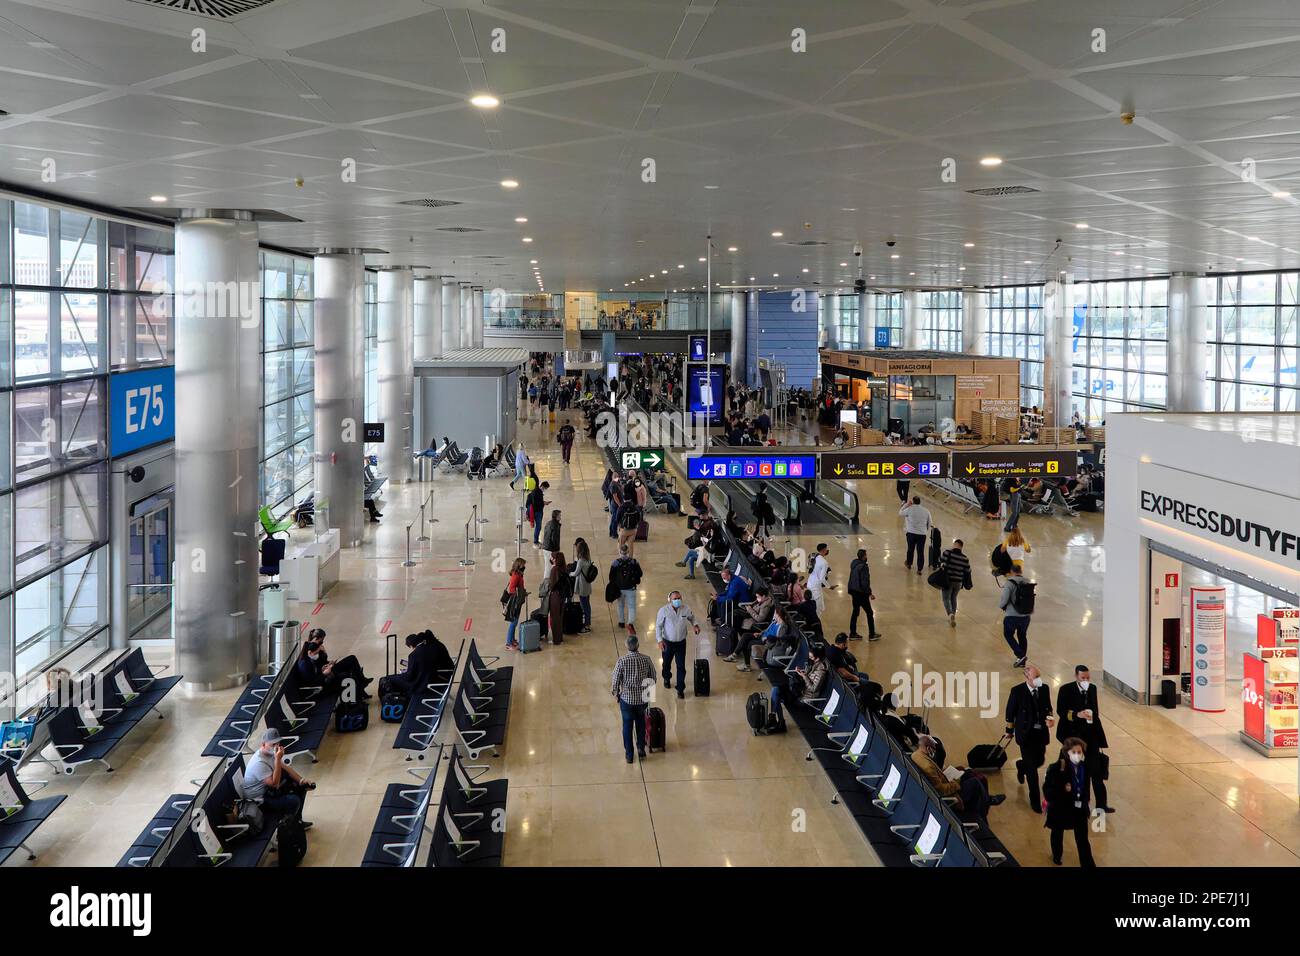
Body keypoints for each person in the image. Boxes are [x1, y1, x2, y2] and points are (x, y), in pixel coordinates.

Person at [1055, 665, 1114, 813]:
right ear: (1076, 677)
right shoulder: (1066, 689)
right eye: (1083, 678)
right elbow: (1061, 711)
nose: (1086, 680)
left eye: (1088, 678)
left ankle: (1101, 804)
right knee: (1078, 773)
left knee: (1096, 771)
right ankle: (1081, 805)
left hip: (1091, 736)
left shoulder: (1092, 689)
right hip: (1074, 737)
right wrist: (1077, 715)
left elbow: (1095, 710)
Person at [1005, 663, 1055, 813]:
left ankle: (1021, 766)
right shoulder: (1017, 691)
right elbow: (1010, 712)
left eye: (1039, 676)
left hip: (1040, 734)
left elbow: (1048, 707)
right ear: (1027, 677)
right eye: (1036, 677)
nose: (1039, 679)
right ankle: (1035, 801)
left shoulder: (1044, 689)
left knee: (1040, 760)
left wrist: (1050, 718)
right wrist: (1009, 730)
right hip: (1025, 735)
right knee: (1032, 772)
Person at [243, 728, 315, 827]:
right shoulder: (259, 763)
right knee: (293, 800)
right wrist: (277, 758)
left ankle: (297, 821)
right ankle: (287, 826)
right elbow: (274, 784)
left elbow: (285, 768)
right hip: (260, 800)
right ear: (263, 744)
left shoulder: (270, 753)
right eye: (273, 744)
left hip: (269, 791)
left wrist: (301, 780)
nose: (276, 747)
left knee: (301, 787)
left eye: (278, 743)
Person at [1043, 738, 1097, 866]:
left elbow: (1086, 788)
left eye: (1079, 752)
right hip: (1061, 809)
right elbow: (1048, 791)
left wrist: (1085, 805)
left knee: (1083, 840)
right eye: (1074, 752)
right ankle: (1057, 855)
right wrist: (1063, 789)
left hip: (1079, 809)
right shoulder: (1056, 768)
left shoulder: (1085, 768)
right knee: (1057, 832)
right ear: (1067, 752)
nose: (1077, 755)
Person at [611, 633, 657, 764]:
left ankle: (629, 755)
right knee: (641, 724)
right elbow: (653, 677)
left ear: (626, 646)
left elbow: (615, 680)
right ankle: (641, 749)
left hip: (627, 699)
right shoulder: (646, 659)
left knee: (627, 726)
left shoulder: (622, 661)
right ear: (638, 645)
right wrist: (649, 694)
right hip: (642, 699)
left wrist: (616, 694)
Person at [296, 629, 372, 698]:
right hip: (323, 682)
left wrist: (326, 665)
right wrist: (324, 673)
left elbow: (318, 667)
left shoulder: (309, 658)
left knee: (352, 659)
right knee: (348, 674)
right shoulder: (305, 664)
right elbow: (313, 682)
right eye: (317, 652)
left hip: (326, 673)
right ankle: (360, 687)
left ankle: (361, 685)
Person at [769, 642, 828, 730]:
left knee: (777, 694)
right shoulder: (814, 664)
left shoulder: (821, 671)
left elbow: (813, 689)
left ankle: (778, 721)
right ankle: (775, 717)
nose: (809, 658)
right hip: (798, 692)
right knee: (776, 689)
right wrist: (802, 673)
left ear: (817, 658)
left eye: (811, 657)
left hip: (804, 699)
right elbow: (808, 678)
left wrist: (804, 676)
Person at [655, 590, 700, 700]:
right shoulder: (663, 611)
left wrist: (695, 625)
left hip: (681, 643)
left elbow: (692, 617)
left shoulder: (686, 609)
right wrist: (660, 640)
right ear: (669, 600)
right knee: (666, 664)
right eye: (675, 599)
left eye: (679, 598)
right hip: (667, 643)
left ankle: (680, 689)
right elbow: (658, 626)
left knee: (681, 667)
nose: (677, 600)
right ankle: (666, 677)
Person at [726, 587, 774, 671]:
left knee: (743, 637)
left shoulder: (766, 606)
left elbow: (759, 619)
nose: (757, 598)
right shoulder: (760, 601)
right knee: (735, 618)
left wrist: (750, 610)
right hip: (751, 620)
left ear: (763, 596)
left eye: (758, 597)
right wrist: (749, 608)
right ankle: (737, 655)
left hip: (756, 624)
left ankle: (737, 655)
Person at [998, 564, 1033, 668]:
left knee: (1008, 634)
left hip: (1012, 616)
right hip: (1026, 616)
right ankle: (1022, 662)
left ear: (1011, 571)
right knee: (1022, 636)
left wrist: (1001, 606)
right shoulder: (1028, 581)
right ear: (1021, 571)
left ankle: (1021, 655)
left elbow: (1004, 600)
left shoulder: (1009, 583)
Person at [937, 538, 972, 627]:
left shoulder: (947, 553)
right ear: (961, 547)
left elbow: (940, 560)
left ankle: (950, 615)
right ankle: (953, 615)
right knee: (954, 598)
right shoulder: (965, 558)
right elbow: (968, 570)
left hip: (947, 580)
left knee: (946, 599)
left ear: (954, 544)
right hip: (958, 582)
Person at [847, 548, 880, 642]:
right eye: (866, 555)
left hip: (854, 591)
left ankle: (852, 633)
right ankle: (872, 634)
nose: (867, 557)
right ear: (863, 556)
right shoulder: (863, 567)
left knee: (855, 612)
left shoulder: (854, 564)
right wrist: (870, 593)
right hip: (861, 593)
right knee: (869, 613)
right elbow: (865, 582)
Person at [609, 544, 642, 631]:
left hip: (619, 588)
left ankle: (621, 622)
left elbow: (611, 577)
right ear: (628, 552)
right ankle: (630, 623)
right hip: (631, 588)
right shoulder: (634, 562)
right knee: (631, 606)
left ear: (620, 552)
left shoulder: (615, 563)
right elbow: (640, 574)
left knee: (620, 605)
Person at [899, 495, 932, 576]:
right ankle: (919, 569)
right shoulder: (926, 511)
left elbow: (900, 513)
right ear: (920, 502)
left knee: (910, 549)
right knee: (920, 551)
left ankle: (909, 563)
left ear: (912, 502)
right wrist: (925, 530)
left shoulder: (909, 509)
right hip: (922, 534)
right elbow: (930, 523)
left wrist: (906, 504)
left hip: (911, 533)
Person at [569, 538, 595, 632]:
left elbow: (576, 573)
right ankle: (587, 621)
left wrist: (569, 573)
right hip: (587, 585)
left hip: (582, 585)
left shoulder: (580, 561)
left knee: (584, 605)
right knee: (587, 604)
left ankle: (587, 624)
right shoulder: (588, 559)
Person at [544, 549, 569, 642]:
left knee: (555, 618)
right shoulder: (563, 568)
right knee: (560, 616)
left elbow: (552, 585)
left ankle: (556, 639)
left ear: (555, 559)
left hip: (555, 595)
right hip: (562, 595)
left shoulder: (554, 569)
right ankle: (559, 637)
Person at [503, 558, 527, 650]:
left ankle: (512, 640)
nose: (524, 567)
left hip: (518, 600)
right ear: (518, 566)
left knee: (515, 622)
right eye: (523, 565)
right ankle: (508, 643)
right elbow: (511, 589)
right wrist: (519, 593)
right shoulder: (516, 576)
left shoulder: (519, 574)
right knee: (513, 622)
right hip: (515, 602)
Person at [807, 542, 834, 616]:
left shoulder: (813, 555)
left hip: (810, 583)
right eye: (826, 549)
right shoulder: (824, 563)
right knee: (819, 608)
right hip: (816, 587)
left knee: (812, 605)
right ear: (823, 550)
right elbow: (822, 579)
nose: (827, 550)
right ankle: (815, 623)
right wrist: (829, 586)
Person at [527, 481, 550, 546]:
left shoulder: (537, 491)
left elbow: (537, 500)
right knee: (538, 527)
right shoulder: (537, 492)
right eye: (545, 488)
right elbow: (536, 503)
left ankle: (536, 540)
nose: (545, 490)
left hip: (538, 511)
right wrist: (544, 503)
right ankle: (536, 541)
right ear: (542, 486)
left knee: (538, 526)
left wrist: (544, 502)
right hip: (537, 512)